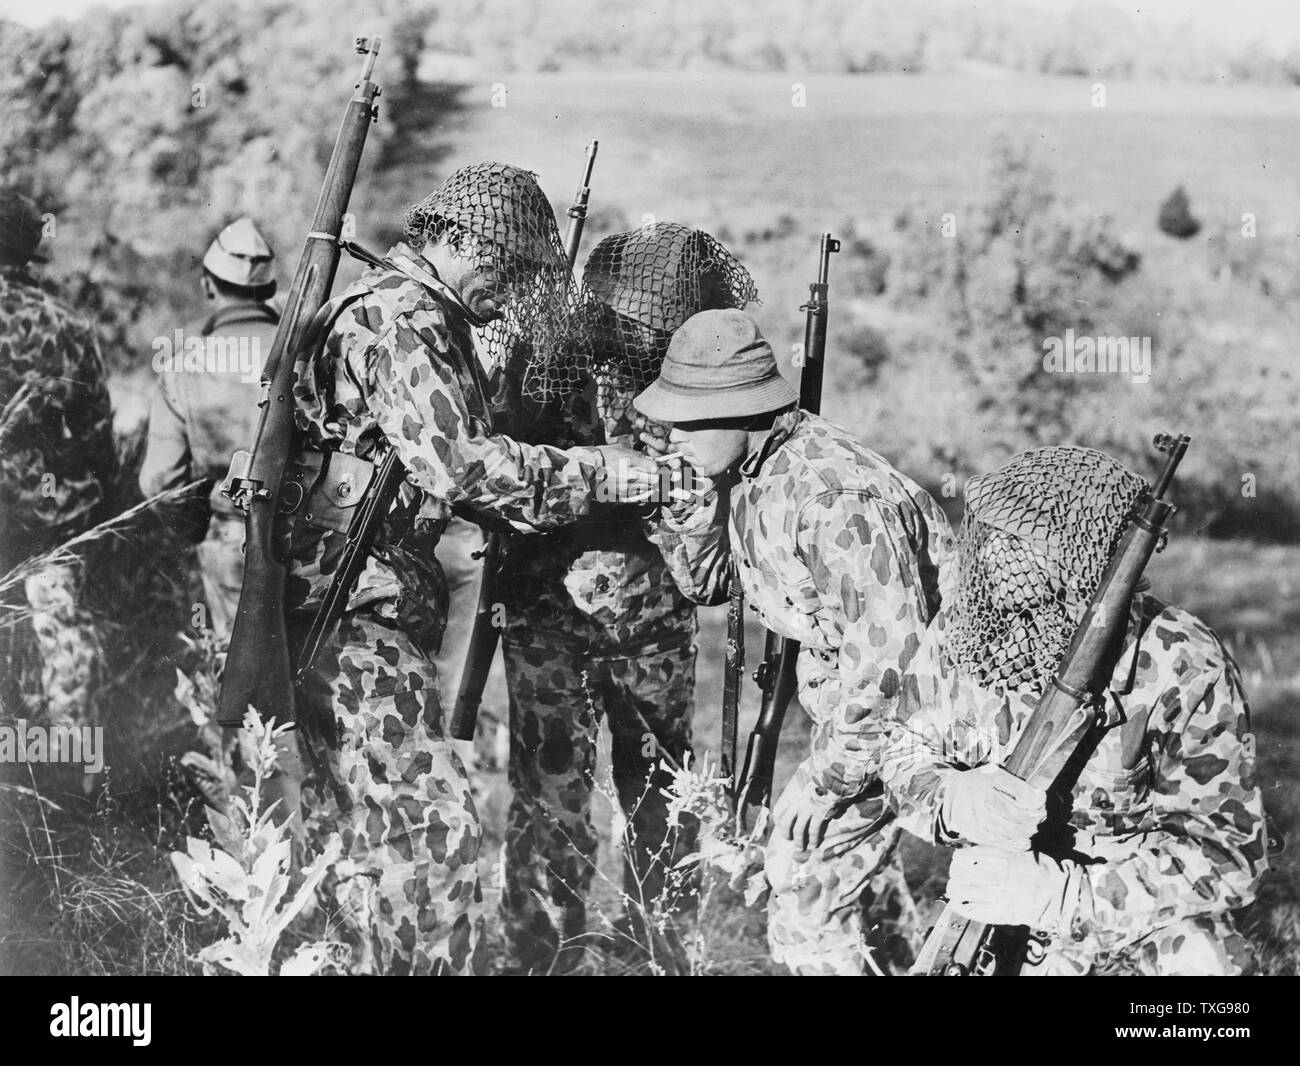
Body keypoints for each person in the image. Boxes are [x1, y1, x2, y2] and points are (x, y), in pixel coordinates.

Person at [276, 161, 657, 975]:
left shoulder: (401, 312)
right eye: (504, 267)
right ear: (453, 238)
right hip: (353, 611)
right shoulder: (405, 320)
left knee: (365, 838)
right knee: (431, 834)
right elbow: (465, 468)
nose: (509, 290)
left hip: (348, 604)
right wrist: (606, 470)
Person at [635, 307, 956, 975]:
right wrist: (695, 515)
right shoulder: (751, 471)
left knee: (804, 895)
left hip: (925, 716)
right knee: (829, 881)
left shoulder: (833, 499)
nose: (675, 437)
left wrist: (828, 781)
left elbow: (892, 671)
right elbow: (716, 583)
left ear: (746, 412)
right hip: (863, 714)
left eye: (691, 422)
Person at [879, 446, 1268, 975]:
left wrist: (1063, 896)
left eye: (1021, 542)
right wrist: (952, 801)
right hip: (994, 911)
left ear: (1085, 560)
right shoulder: (966, 626)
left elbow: (1229, 855)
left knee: (1202, 963)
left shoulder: (1181, 659)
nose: (994, 555)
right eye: (994, 535)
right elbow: (902, 749)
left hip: (1125, 919)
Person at [494, 223, 759, 972]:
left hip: (642, 630)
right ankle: (554, 952)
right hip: (555, 620)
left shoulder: (680, 387)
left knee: (653, 800)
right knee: (560, 797)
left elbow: (707, 563)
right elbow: (496, 482)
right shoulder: (540, 369)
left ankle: (652, 949)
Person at [0, 187, 113, 727]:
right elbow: (97, 430)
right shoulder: (65, 324)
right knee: (62, 637)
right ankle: (74, 784)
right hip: (50, 512)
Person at [138, 217, 280, 639]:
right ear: (268, 290)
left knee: (239, 676)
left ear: (207, 286)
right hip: (319, 540)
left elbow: (162, 480)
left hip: (231, 540)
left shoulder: (183, 366)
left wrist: (197, 527)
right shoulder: (310, 350)